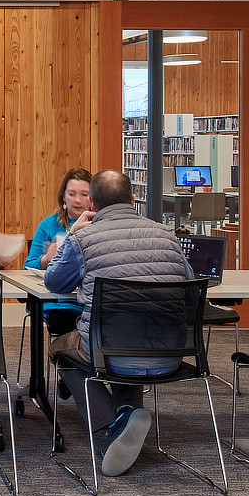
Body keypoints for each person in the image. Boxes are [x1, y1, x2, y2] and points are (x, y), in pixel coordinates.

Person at [43, 168, 192, 477]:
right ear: (134, 199)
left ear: (92, 204)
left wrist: (72, 237)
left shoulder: (84, 237)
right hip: (170, 354)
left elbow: (55, 282)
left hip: (111, 350)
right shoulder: (167, 235)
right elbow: (190, 291)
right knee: (122, 338)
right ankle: (126, 411)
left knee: (62, 349)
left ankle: (112, 424)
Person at [25, 167, 92, 337]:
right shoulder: (48, 225)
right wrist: (46, 259)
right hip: (60, 303)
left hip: (92, 302)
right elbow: (28, 268)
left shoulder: (100, 224)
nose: (77, 200)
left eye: (84, 194)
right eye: (71, 194)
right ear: (63, 196)